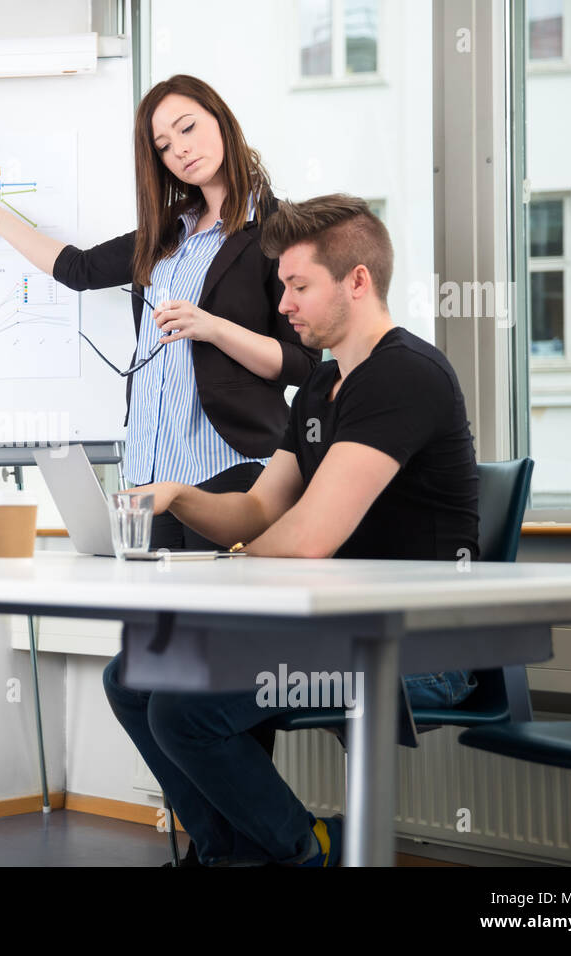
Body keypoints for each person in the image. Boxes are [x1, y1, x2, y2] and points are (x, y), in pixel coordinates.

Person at [105, 194, 480, 867]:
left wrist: (224, 567)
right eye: (284, 287)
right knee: (131, 678)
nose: (284, 305)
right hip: (339, 634)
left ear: (357, 282)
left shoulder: (403, 375)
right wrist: (180, 497)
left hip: (416, 651)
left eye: (300, 286)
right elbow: (257, 511)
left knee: (182, 712)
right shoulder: (320, 387)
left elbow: (308, 537)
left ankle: (308, 851)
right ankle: (233, 855)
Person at [0, 75, 321, 550]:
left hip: (231, 466)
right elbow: (79, 268)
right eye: (165, 146)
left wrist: (213, 328)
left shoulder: (278, 228)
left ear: (221, 120)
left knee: (217, 612)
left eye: (187, 128)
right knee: (155, 617)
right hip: (149, 467)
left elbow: (304, 364)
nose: (181, 151)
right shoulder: (167, 233)